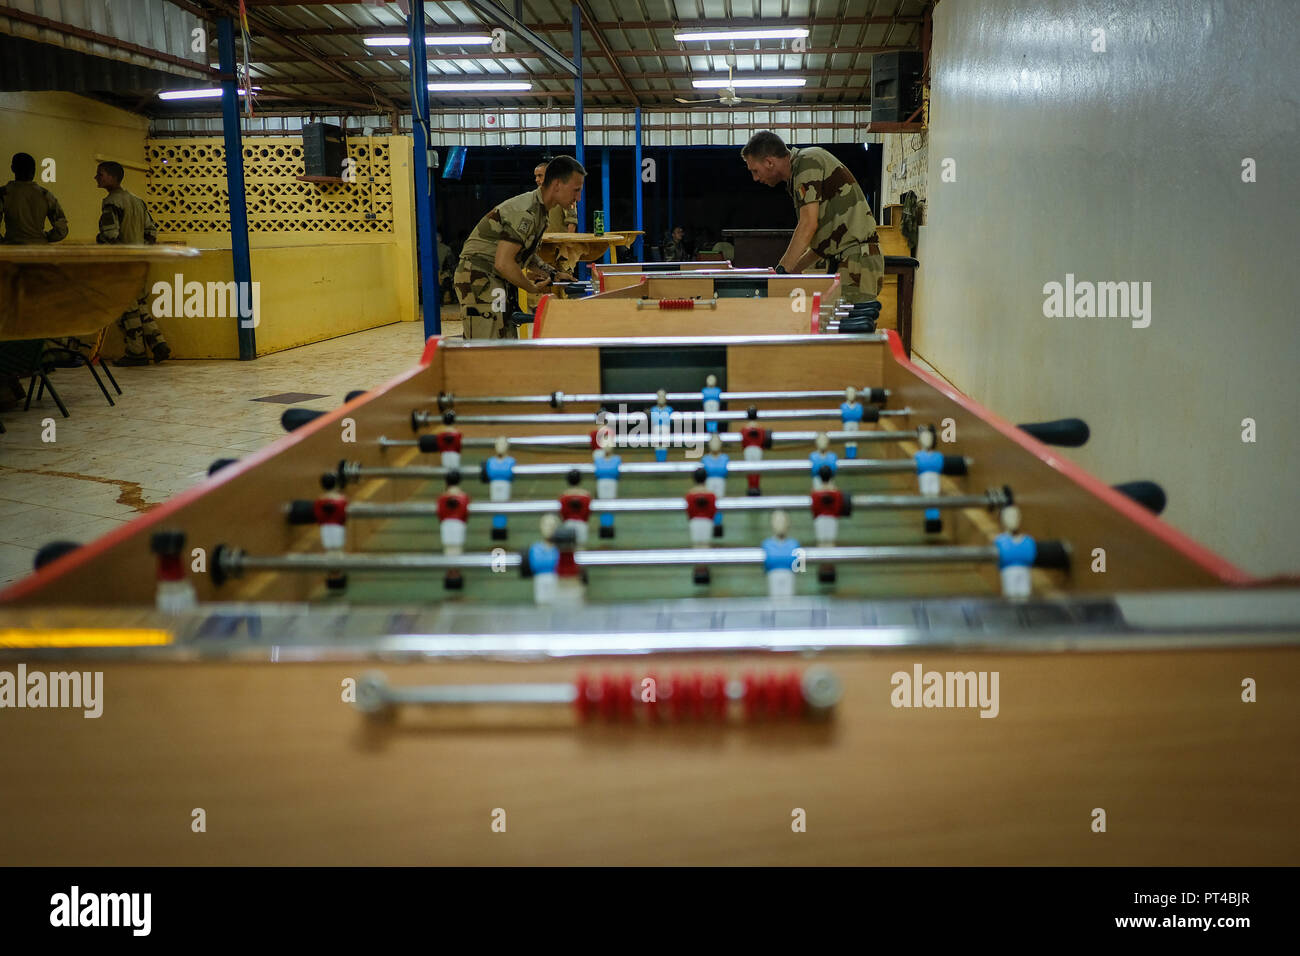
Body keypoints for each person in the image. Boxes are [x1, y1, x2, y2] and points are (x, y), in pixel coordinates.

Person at [741, 131, 883, 303]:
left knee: (849, 328)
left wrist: (780, 272)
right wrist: (791, 270)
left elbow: (808, 225)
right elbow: (821, 243)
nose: (755, 178)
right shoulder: (798, 173)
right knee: (831, 325)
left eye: (755, 171)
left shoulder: (806, 163)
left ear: (769, 162)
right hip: (848, 260)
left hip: (856, 262)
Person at [453, 155, 584, 339]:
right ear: (556, 185)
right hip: (479, 276)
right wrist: (531, 288)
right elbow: (504, 263)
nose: (578, 197)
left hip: (494, 278)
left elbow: (526, 255)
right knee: (487, 347)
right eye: (576, 190)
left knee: (505, 340)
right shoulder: (526, 211)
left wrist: (552, 274)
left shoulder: (541, 212)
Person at [94, 161, 171, 365]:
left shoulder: (112, 202)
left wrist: (100, 243)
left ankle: (136, 352)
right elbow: (151, 232)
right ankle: (157, 343)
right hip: (139, 261)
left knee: (127, 309)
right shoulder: (137, 201)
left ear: (111, 177)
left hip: (122, 263)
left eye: (100, 175)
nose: (97, 178)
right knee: (139, 304)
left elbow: (110, 235)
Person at [0, 152, 69, 245]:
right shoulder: (45, 194)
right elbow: (62, 229)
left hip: (12, 248)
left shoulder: (4, 193)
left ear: (13, 169)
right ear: (34, 170)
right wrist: (45, 237)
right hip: (40, 249)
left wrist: (4, 241)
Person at [533, 159, 578, 234]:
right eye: (536, 176)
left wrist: (567, 242)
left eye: (540, 176)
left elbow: (572, 222)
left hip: (559, 243)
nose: (536, 179)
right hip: (541, 242)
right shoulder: (536, 196)